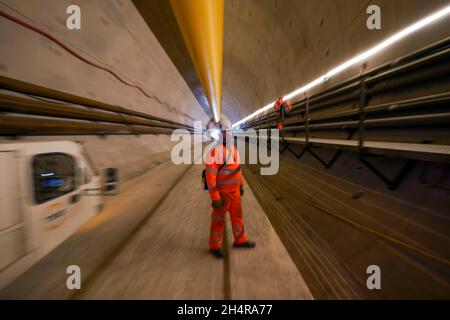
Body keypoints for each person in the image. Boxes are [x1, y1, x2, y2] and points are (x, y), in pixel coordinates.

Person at [204, 118, 256, 258]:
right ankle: (214, 246)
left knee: (237, 217)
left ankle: (240, 240)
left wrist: (241, 185)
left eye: (229, 131)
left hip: (235, 193)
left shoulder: (233, 149)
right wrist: (215, 196)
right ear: (220, 134)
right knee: (218, 221)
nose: (228, 133)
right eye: (225, 131)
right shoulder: (214, 153)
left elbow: (238, 170)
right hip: (222, 194)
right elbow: (210, 177)